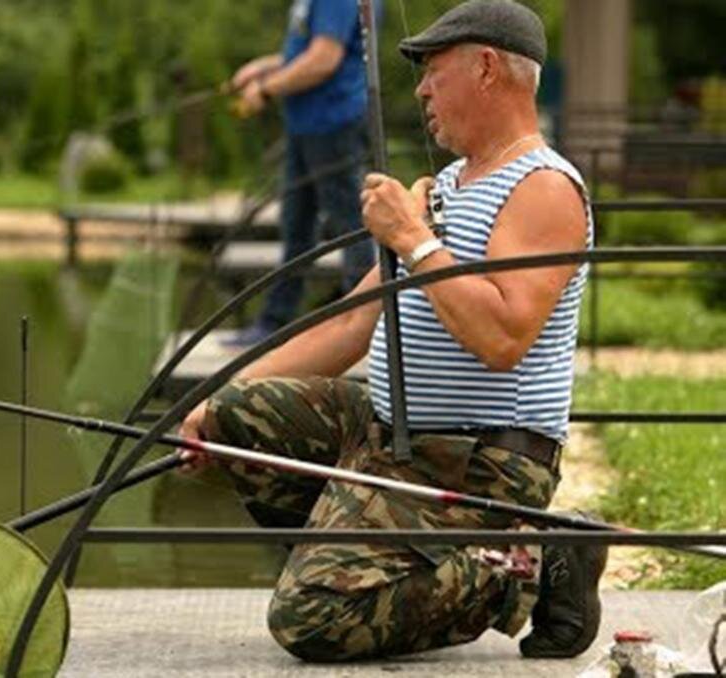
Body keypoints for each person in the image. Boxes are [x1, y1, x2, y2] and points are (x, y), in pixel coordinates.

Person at [181, 0, 607, 663]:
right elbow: (352, 322)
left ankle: (530, 560)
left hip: (479, 465)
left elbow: (502, 340)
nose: (421, 89)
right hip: (386, 435)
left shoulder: (544, 187)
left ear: (486, 68)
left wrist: (412, 239)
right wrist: (208, 402)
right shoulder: (445, 187)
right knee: (241, 415)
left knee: (310, 622)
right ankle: (362, 559)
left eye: (433, 70)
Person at [225, 0, 377, 347]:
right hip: (305, 124)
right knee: (296, 226)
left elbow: (324, 59)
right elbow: (306, 51)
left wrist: (265, 89)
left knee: (350, 224)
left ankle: (366, 324)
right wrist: (263, 68)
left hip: (331, 121)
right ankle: (274, 323)